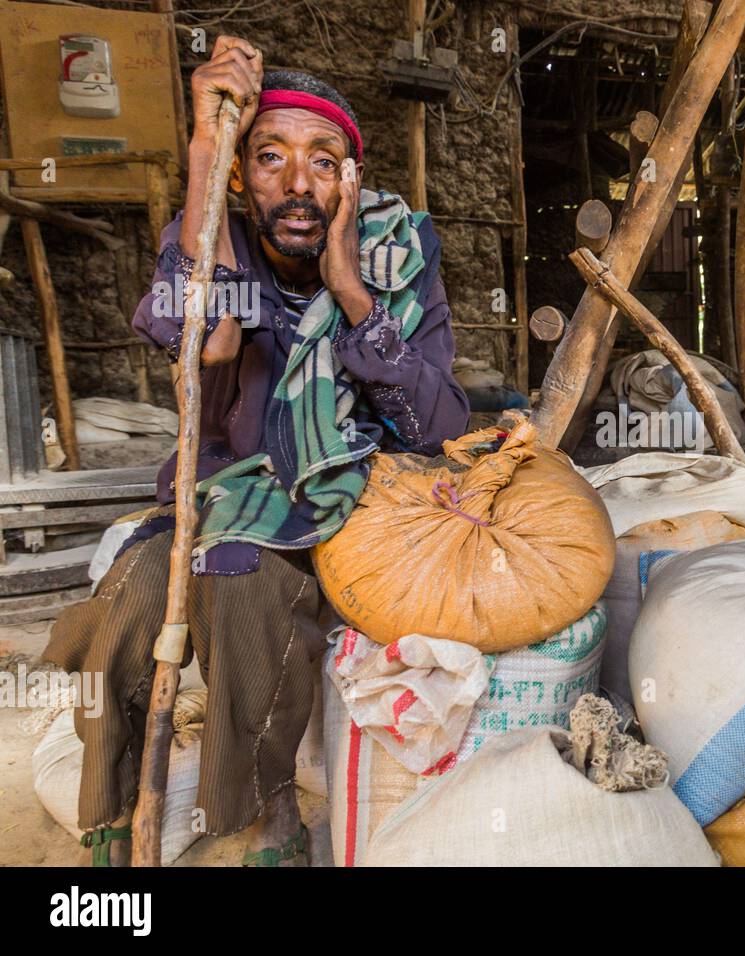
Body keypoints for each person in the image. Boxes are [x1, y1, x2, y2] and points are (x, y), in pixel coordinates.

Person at [44, 36, 469, 866]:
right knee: (130, 595)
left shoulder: (398, 252)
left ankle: (269, 810)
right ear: (241, 176)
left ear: (351, 179)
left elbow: (438, 428)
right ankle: (111, 807)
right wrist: (205, 149)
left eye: (323, 161)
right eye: (269, 158)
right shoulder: (211, 236)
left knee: (238, 579)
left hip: (351, 498)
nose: (298, 184)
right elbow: (201, 340)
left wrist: (349, 289)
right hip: (218, 493)